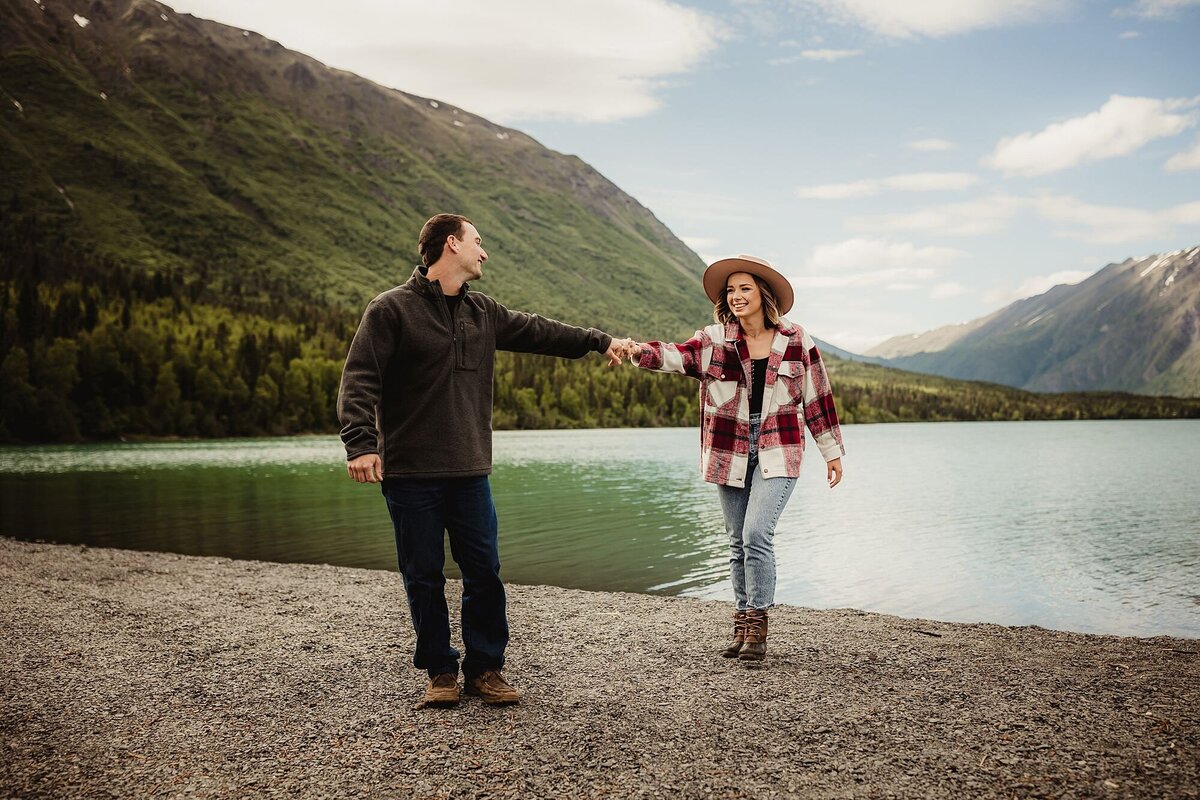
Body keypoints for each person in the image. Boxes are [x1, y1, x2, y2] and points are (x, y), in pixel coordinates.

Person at [337, 213, 634, 707]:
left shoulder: (484, 312)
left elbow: (541, 332)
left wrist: (598, 340)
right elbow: (360, 378)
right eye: (478, 241)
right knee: (423, 574)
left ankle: (485, 669)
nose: (484, 251)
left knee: (484, 571)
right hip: (411, 472)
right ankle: (440, 672)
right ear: (451, 244)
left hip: (471, 470)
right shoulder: (390, 310)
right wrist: (361, 444)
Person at [629, 255, 844, 661]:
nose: (737, 295)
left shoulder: (797, 340)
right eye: (731, 290)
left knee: (755, 534)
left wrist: (831, 453)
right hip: (730, 449)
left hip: (779, 447)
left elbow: (818, 397)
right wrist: (637, 351)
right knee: (735, 542)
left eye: (745, 288)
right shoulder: (713, 340)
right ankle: (743, 625)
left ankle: (758, 628)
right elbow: (676, 356)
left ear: (763, 295)